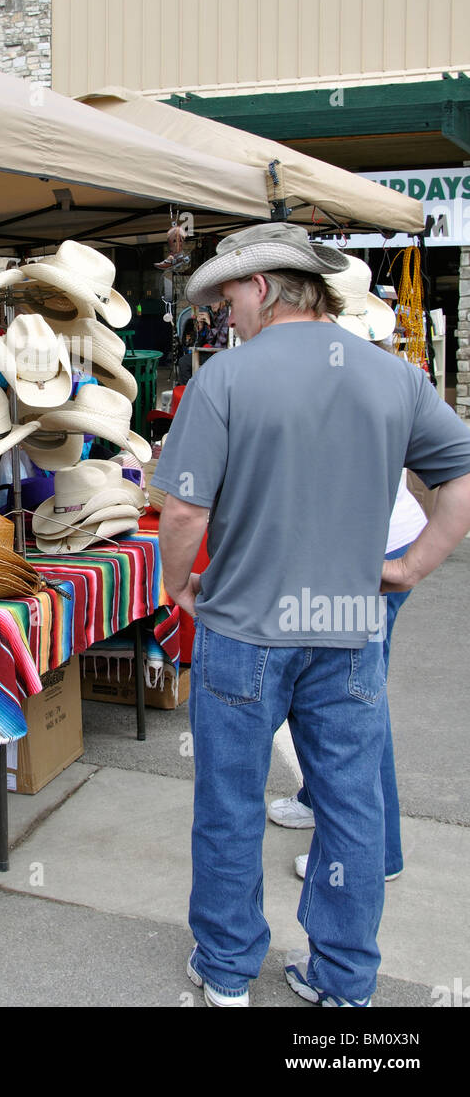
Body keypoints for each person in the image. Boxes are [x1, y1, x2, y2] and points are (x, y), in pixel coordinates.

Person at [155, 222, 470, 1009]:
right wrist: (408, 568)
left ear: (261, 287)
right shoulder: (391, 376)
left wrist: (177, 585)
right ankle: (343, 981)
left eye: (228, 295)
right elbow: (461, 478)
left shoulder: (225, 380)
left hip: (241, 627)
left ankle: (226, 970)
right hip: (348, 624)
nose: (225, 313)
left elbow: (183, 513)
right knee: (350, 806)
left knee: (228, 802)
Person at [269, 256, 426, 885]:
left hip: (367, 554)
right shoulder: (375, 369)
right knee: (341, 695)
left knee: (353, 705)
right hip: (381, 542)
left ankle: (374, 850)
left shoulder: (343, 374)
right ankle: (322, 802)